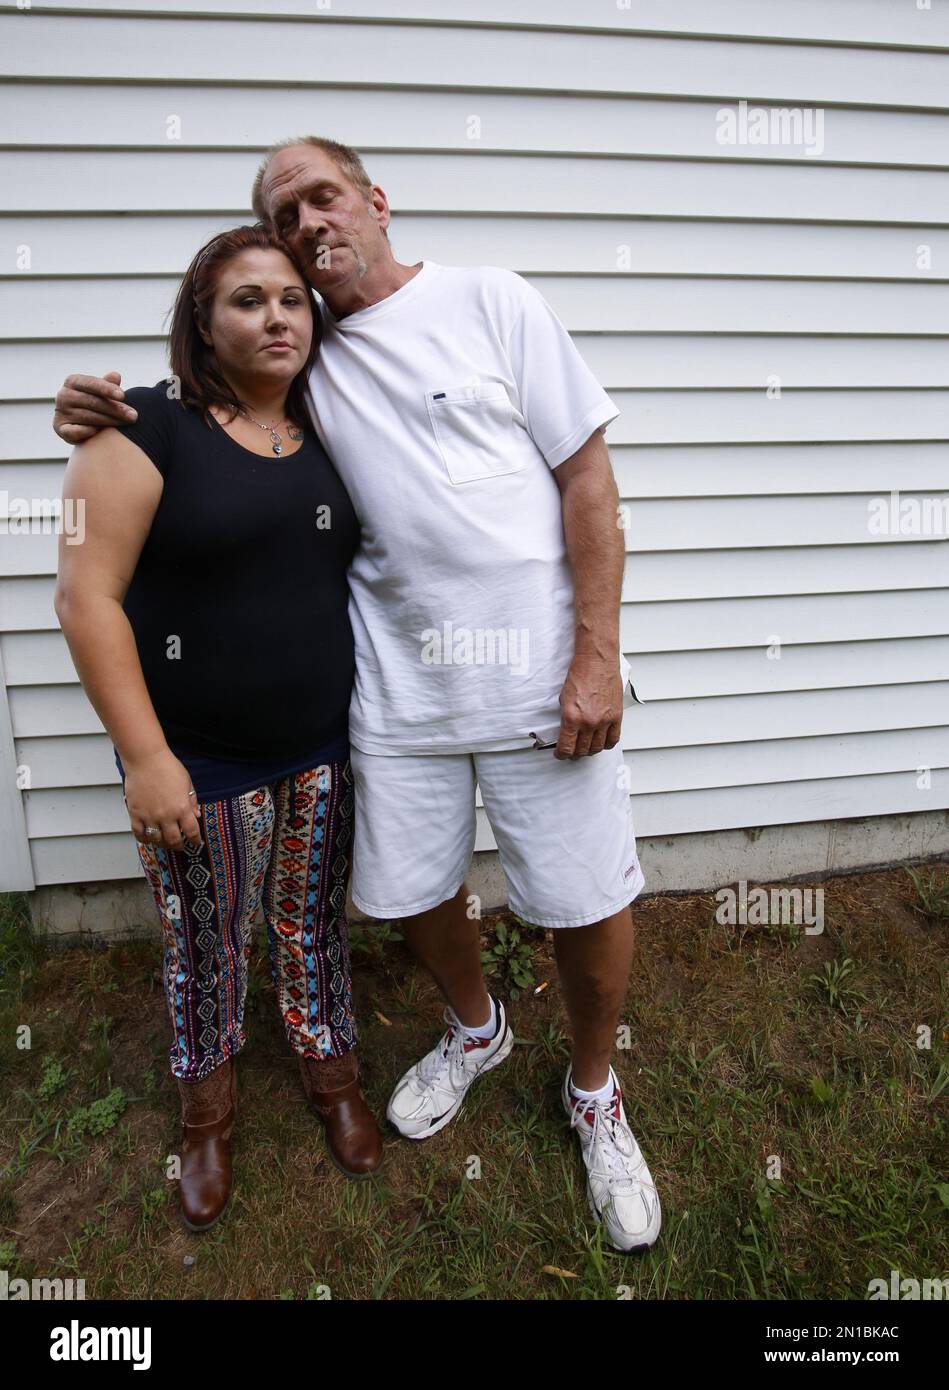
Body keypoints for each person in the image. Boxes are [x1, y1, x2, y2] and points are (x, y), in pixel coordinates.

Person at [53, 136, 661, 1253]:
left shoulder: (490, 300)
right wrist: (91, 407)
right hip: (396, 697)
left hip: (539, 677)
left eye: (320, 196)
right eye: (281, 219)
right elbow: (173, 444)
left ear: (375, 202)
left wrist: (595, 651)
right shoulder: (291, 365)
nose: (304, 230)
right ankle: (473, 1030)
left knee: (580, 896)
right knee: (410, 891)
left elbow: (588, 477)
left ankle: (593, 1093)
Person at [53, 222, 382, 1233]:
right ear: (204, 319)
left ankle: (330, 1074)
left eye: (291, 298)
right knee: (206, 935)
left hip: (321, 741)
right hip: (197, 756)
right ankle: (208, 1110)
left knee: (309, 922)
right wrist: (149, 758)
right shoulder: (142, 427)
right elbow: (84, 596)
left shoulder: (336, 425)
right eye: (247, 299)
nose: (276, 315)